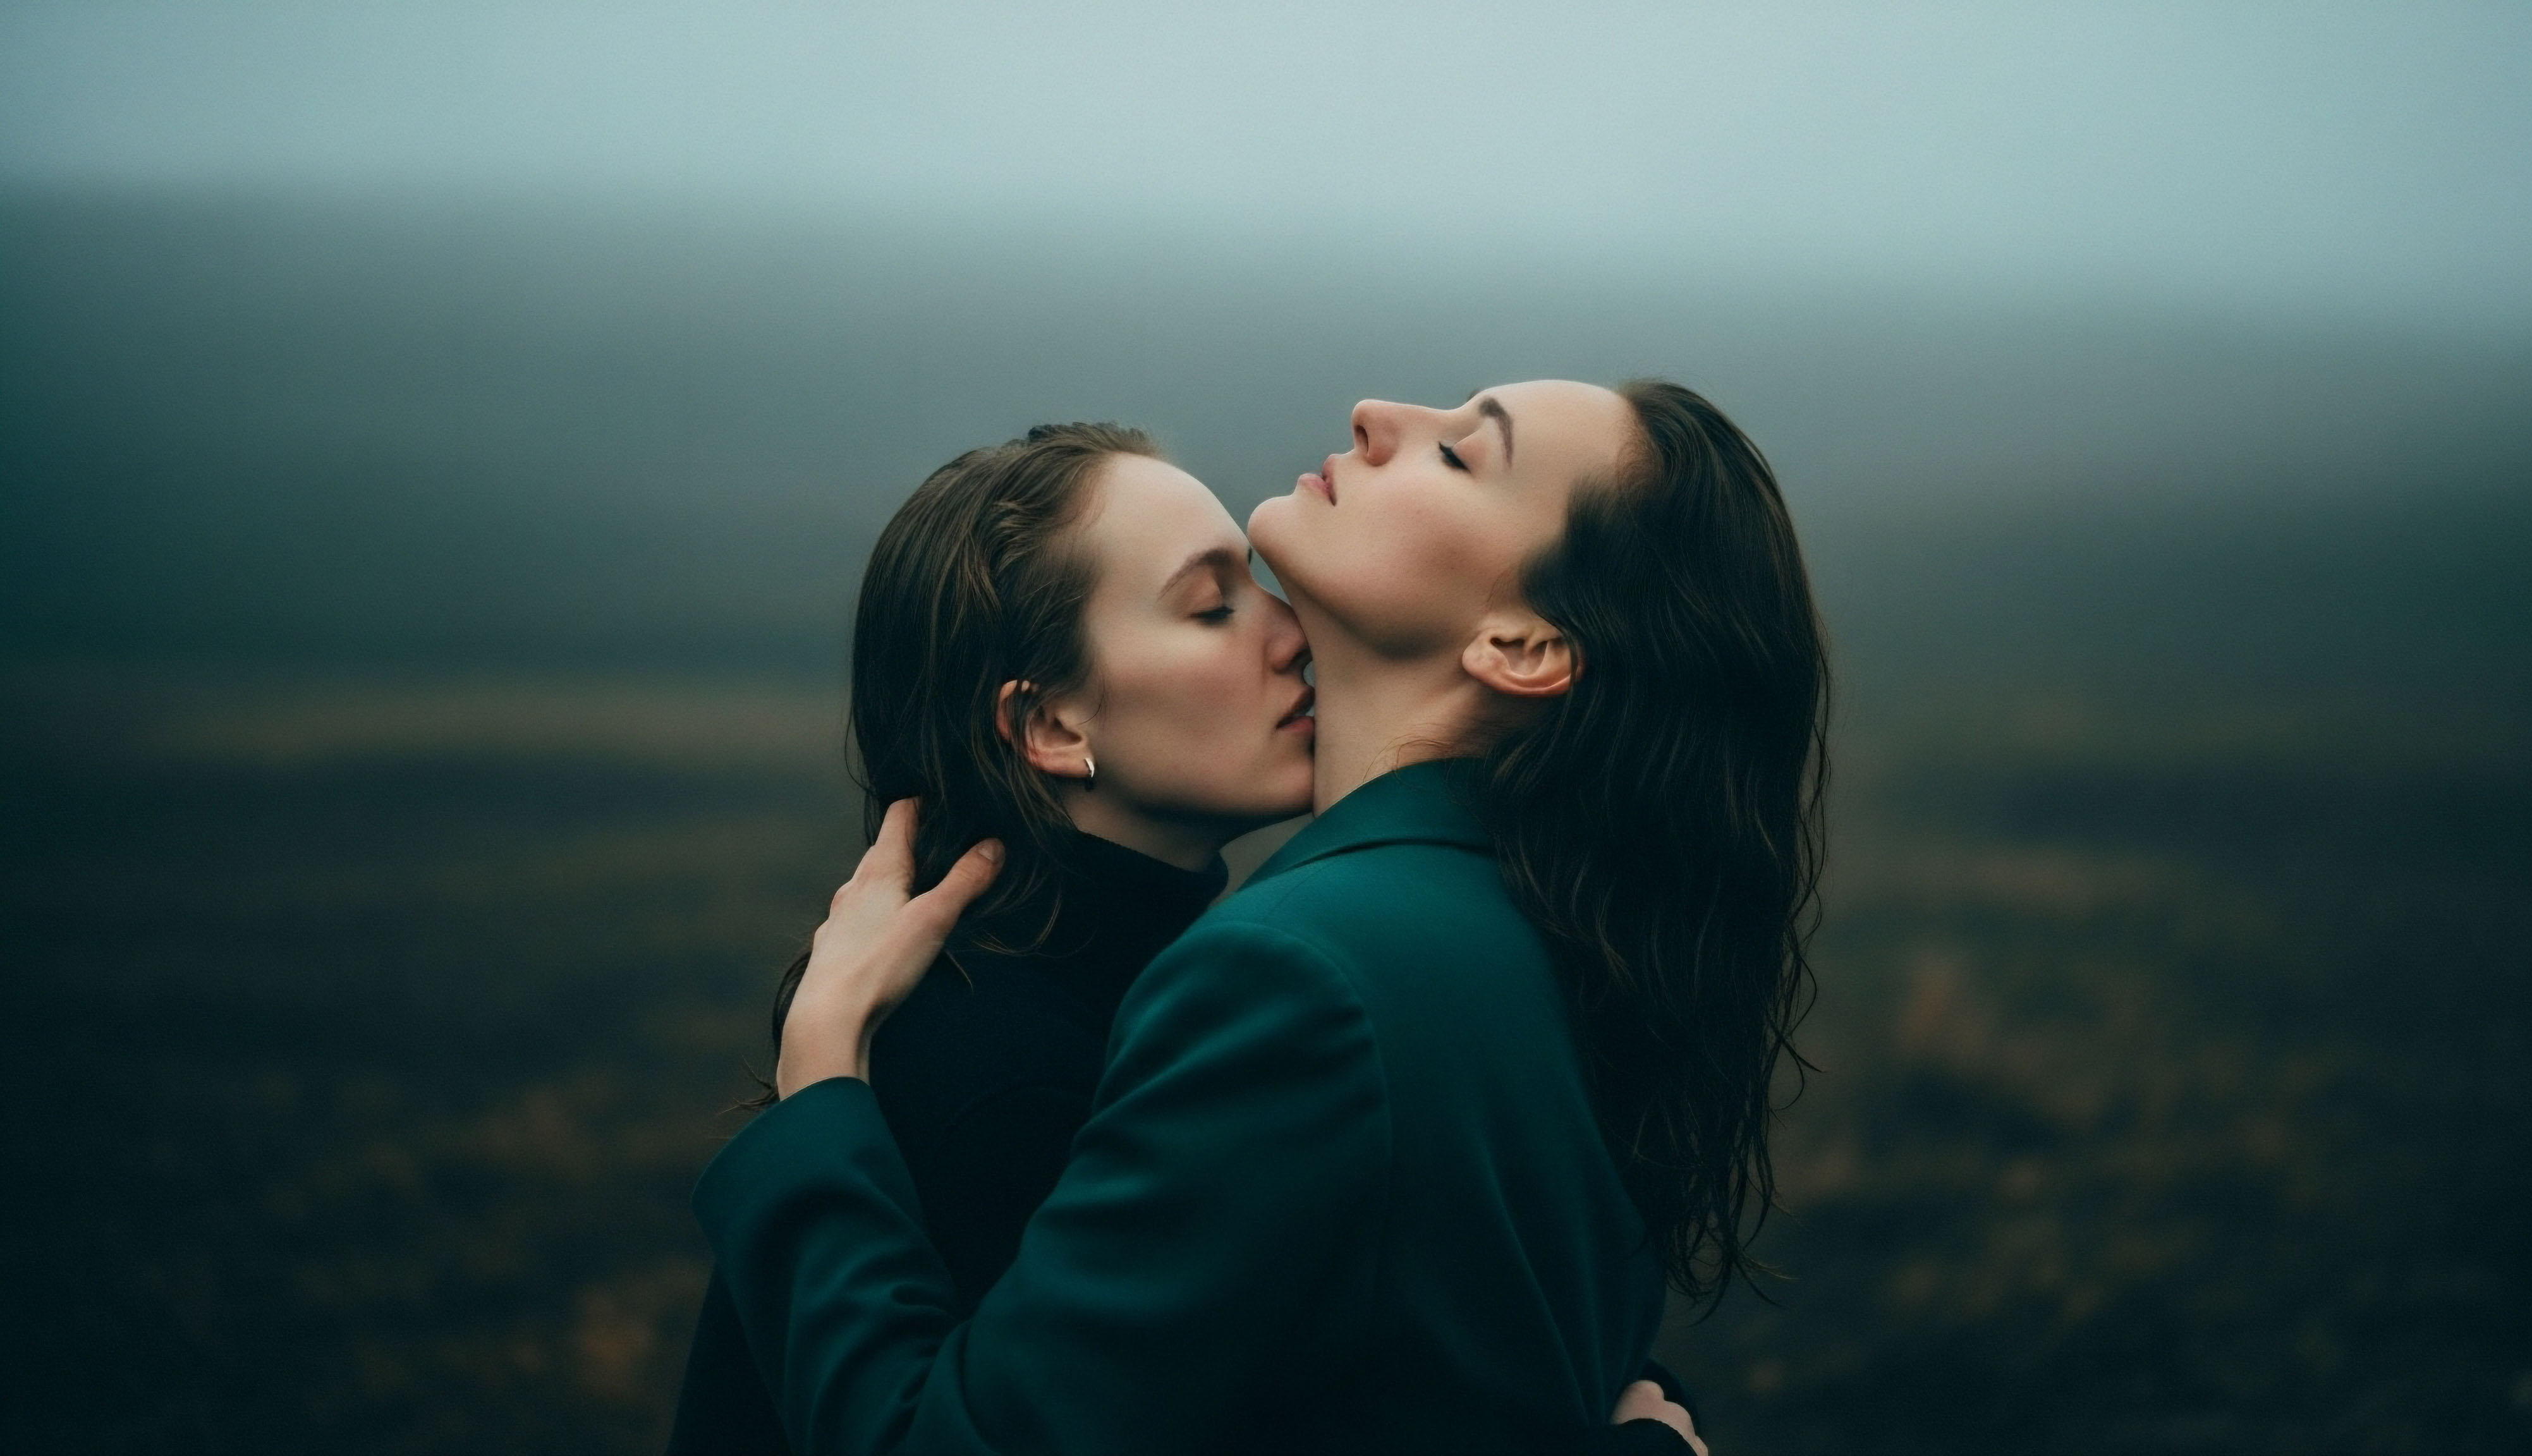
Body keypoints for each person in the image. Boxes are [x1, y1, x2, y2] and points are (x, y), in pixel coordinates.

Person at [706, 380, 1822, 1453]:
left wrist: (819, 1087)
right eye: (1210, 602)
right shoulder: (1565, 928)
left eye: (1461, 452)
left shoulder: (1294, 979)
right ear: (1045, 723)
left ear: (1523, 647)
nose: (1377, 411)